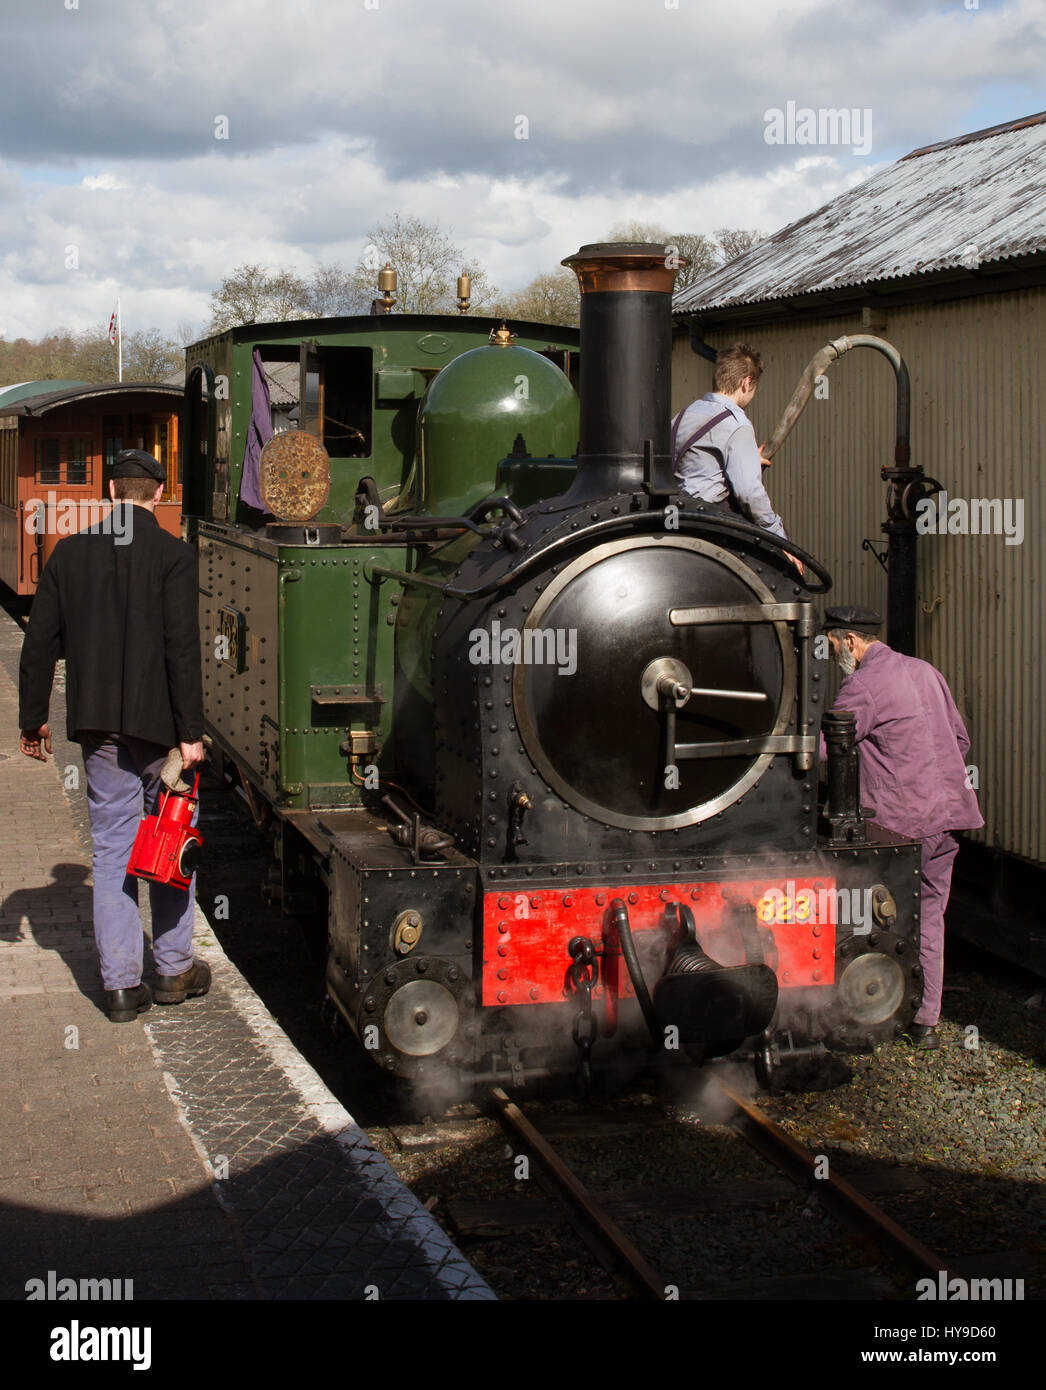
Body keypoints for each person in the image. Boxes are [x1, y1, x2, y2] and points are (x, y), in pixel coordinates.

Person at [18, 449, 210, 1024]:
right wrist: (192, 734)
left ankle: (122, 987)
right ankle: (174, 970)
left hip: (98, 728)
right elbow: (182, 650)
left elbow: (38, 645)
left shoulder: (69, 555)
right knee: (171, 839)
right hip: (163, 733)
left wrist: (33, 719)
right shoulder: (174, 555)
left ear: (108, 493)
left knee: (113, 850)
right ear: (156, 494)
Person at [820, 605, 983, 1049]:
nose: (835, 654)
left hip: (899, 826)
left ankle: (866, 1014)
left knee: (861, 913)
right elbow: (961, 739)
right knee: (931, 916)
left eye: (834, 645)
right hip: (948, 818)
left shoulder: (863, 685)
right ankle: (925, 1021)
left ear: (850, 641)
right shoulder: (927, 672)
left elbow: (824, 750)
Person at [672, 342, 801, 573]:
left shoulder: (684, 415)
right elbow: (749, 493)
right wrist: (780, 537)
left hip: (675, 518)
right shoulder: (736, 424)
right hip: (709, 525)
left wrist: (749, 460)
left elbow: (697, 464)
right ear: (746, 383)